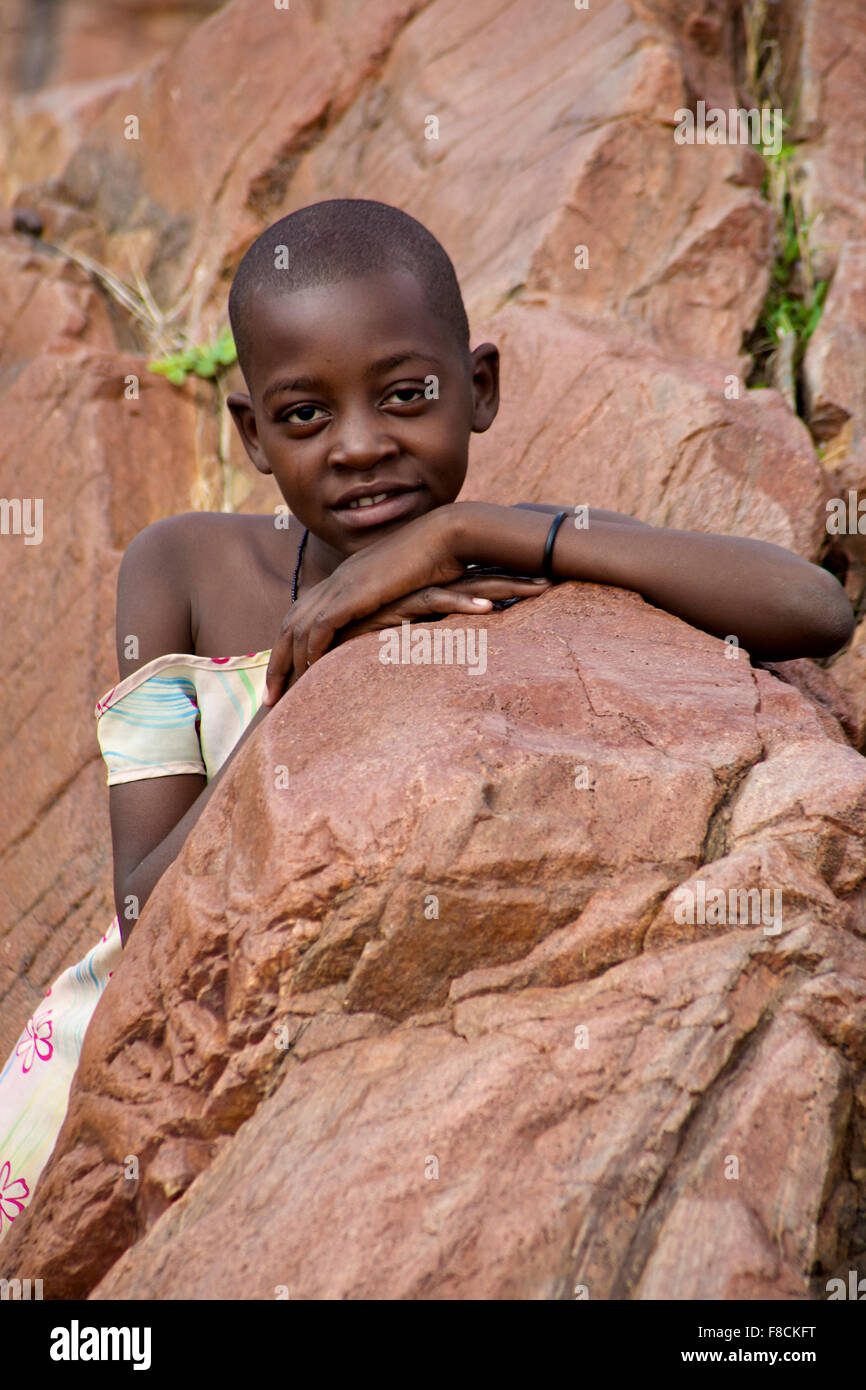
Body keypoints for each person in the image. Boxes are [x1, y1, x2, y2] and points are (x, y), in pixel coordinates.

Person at [0, 198, 854, 1244]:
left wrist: (463, 529)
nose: (359, 447)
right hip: (125, 1057)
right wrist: (304, 680)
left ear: (478, 387)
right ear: (252, 435)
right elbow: (141, 915)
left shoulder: (500, 558)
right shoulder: (180, 569)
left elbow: (812, 606)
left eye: (405, 396)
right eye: (304, 415)